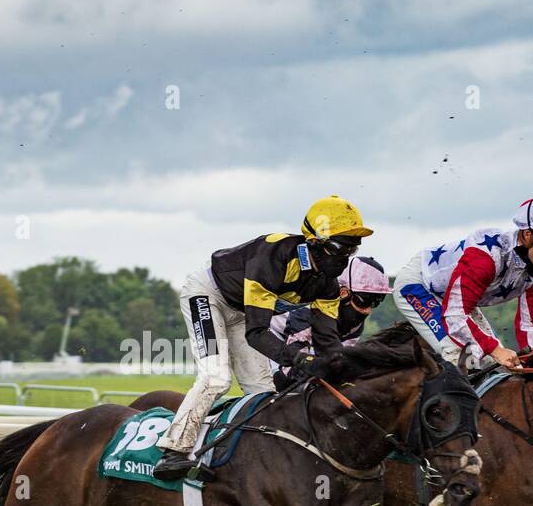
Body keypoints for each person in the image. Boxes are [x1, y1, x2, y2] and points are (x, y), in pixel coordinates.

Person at [151, 194, 373, 481]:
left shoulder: (327, 286)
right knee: (216, 378)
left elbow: (328, 341)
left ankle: (247, 457)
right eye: (341, 248)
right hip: (208, 295)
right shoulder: (274, 258)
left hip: (242, 311)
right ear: (316, 242)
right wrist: (298, 358)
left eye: (351, 249)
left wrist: (341, 370)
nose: (346, 257)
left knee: (262, 391)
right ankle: (173, 452)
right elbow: (257, 334)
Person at [392, 194, 533, 372]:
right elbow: (455, 314)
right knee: (462, 355)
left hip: (457, 299)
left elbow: (528, 325)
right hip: (418, 284)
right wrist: (496, 350)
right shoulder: (486, 259)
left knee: (493, 363)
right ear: (527, 234)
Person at [267, 256, 390, 387]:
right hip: (270, 336)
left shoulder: (355, 323)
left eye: (376, 302)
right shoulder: (309, 310)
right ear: (343, 293)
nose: (368, 310)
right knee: (281, 384)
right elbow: (291, 371)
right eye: (364, 300)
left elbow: (340, 362)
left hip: (305, 341)